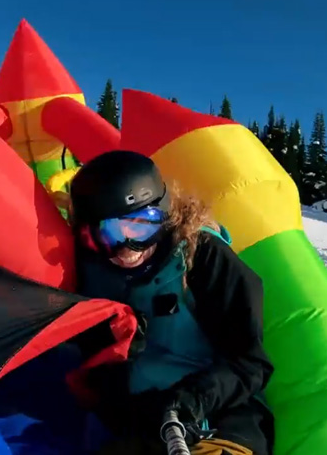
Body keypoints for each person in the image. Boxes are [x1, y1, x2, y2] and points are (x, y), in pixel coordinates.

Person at [68, 150, 275, 455]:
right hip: (141, 420)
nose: (127, 249)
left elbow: (251, 363)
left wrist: (193, 400)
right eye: (109, 233)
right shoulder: (94, 270)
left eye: (141, 227)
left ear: (163, 215)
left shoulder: (202, 257)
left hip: (219, 419)